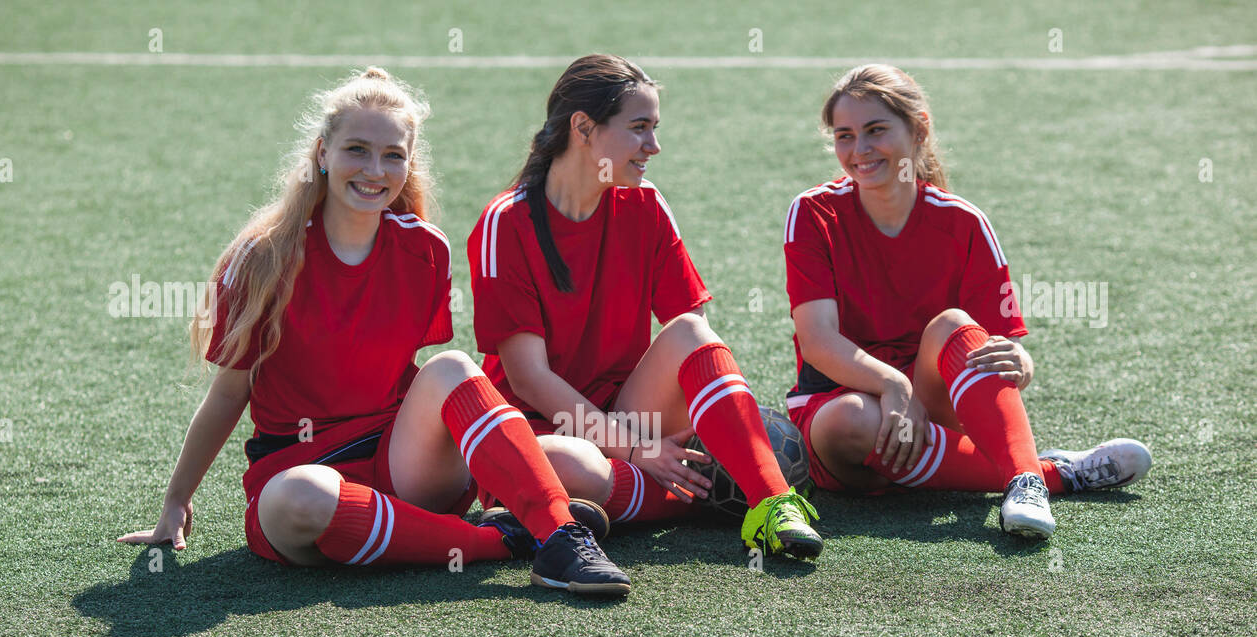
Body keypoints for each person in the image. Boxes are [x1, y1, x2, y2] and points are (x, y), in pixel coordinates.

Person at [119, 67, 630, 596]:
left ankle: (563, 539)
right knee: (300, 497)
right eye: (356, 149)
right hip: (301, 466)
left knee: (460, 373)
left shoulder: (425, 250)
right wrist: (176, 502)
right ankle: (497, 539)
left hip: (401, 461)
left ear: (408, 165)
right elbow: (228, 394)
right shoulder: (263, 258)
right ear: (322, 153)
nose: (374, 169)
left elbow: (419, 386)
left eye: (392, 155)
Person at [467, 54, 823, 560]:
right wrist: (638, 451)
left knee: (691, 336)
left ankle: (768, 500)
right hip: (544, 425)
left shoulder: (646, 204)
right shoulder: (507, 222)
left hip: (629, 413)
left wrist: (676, 426)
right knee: (571, 464)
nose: (653, 146)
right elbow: (528, 380)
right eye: (639, 128)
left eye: (654, 128)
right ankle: (701, 492)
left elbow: (692, 330)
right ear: (583, 129)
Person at [783, 63, 1151, 539]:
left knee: (952, 323)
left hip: (935, 408)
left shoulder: (963, 222)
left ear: (919, 130)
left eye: (876, 130)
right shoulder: (813, 213)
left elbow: (1001, 347)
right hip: (843, 409)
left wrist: (1019, 359)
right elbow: (817, 342)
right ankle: (1051, 475)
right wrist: (896, 387)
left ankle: (1023, 481)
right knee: (852, 419)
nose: (859, 150)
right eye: (845, 136)